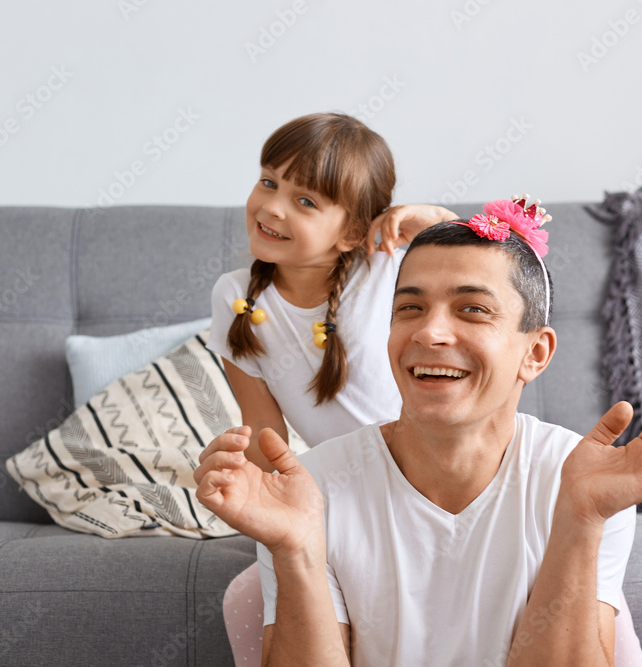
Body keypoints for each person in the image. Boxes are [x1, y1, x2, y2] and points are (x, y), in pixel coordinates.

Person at [195, 200, 642, 665]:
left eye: (472, 309)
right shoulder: (314, 487)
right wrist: (295, 550)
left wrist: (581, 520)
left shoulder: (582, 481)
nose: (429, 332)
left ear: (535, 353)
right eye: (409, 308)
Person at [205, 112, 458, 663]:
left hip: (433, 483)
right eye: (268, 181)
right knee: (252, 601)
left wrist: (438, 222)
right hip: (339, 496)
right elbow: (262, 431)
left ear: (351, 231)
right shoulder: (235, 298)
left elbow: (495, 280)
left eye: (304, 201)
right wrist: (275, 510)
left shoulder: (386, 268)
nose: (272, 207)